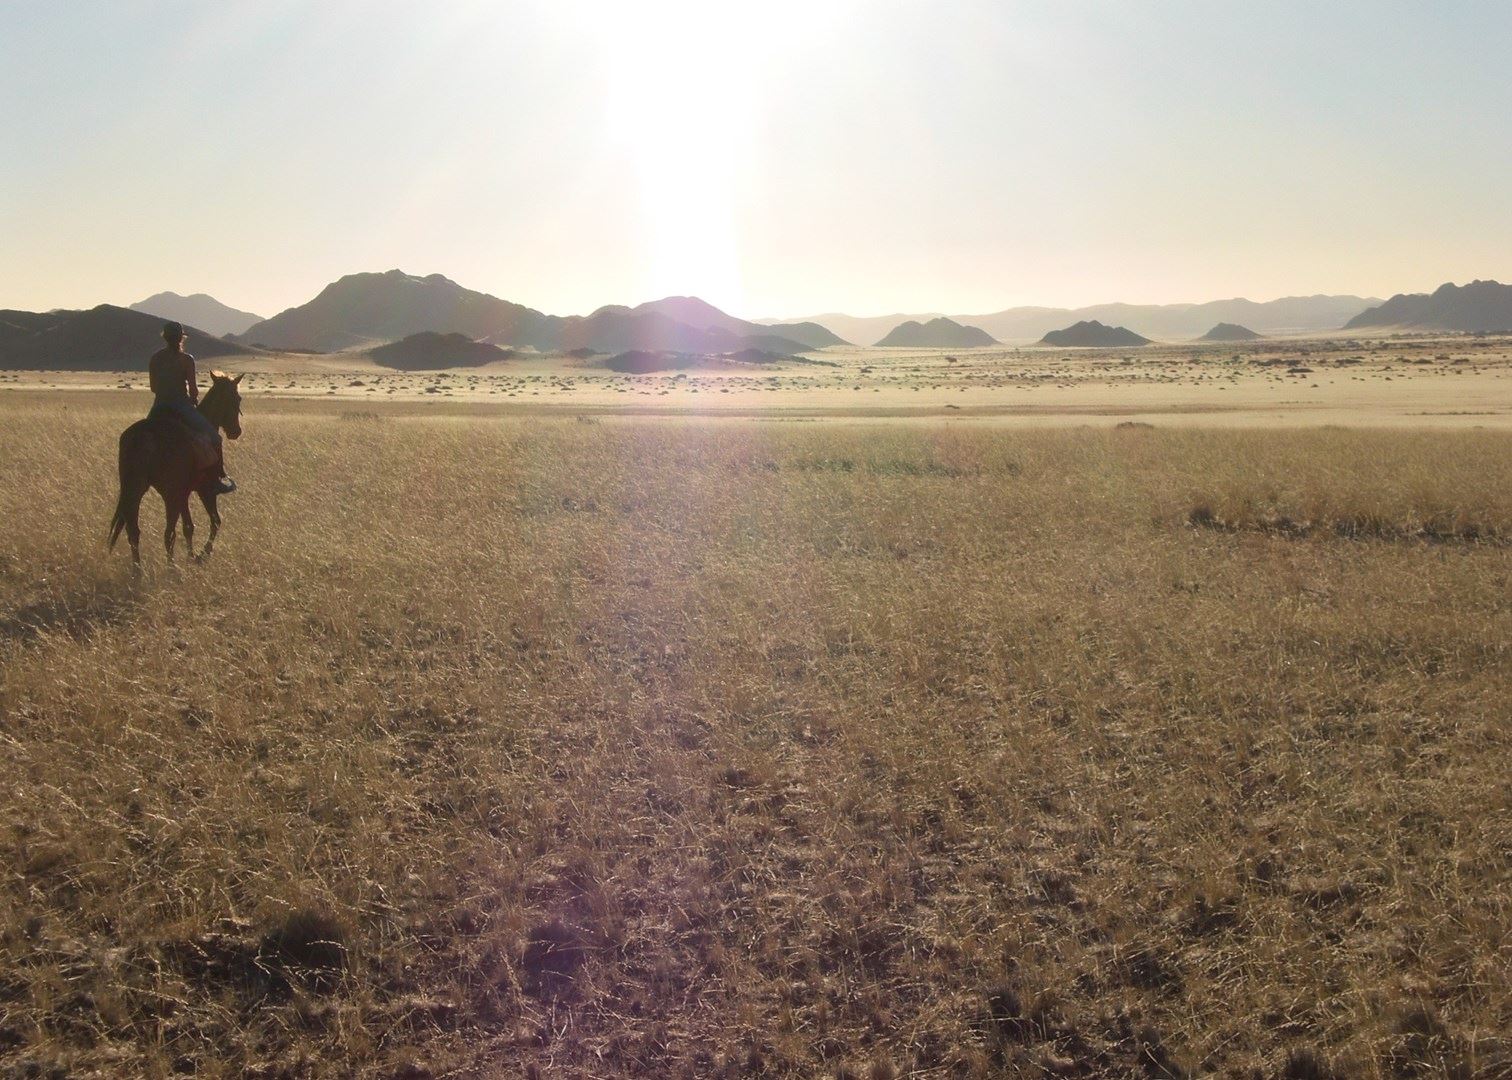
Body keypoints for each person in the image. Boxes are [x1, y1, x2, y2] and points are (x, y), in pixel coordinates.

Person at [147, 322, 235, 494]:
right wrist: (193, 399)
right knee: (215, 438)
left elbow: (153, 388)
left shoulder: (155, 358)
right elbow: (193, 390)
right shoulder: (187, 360)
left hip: (159, 406)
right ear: (182, 338)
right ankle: (217, 478)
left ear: (165, 337)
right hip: (181, 406)